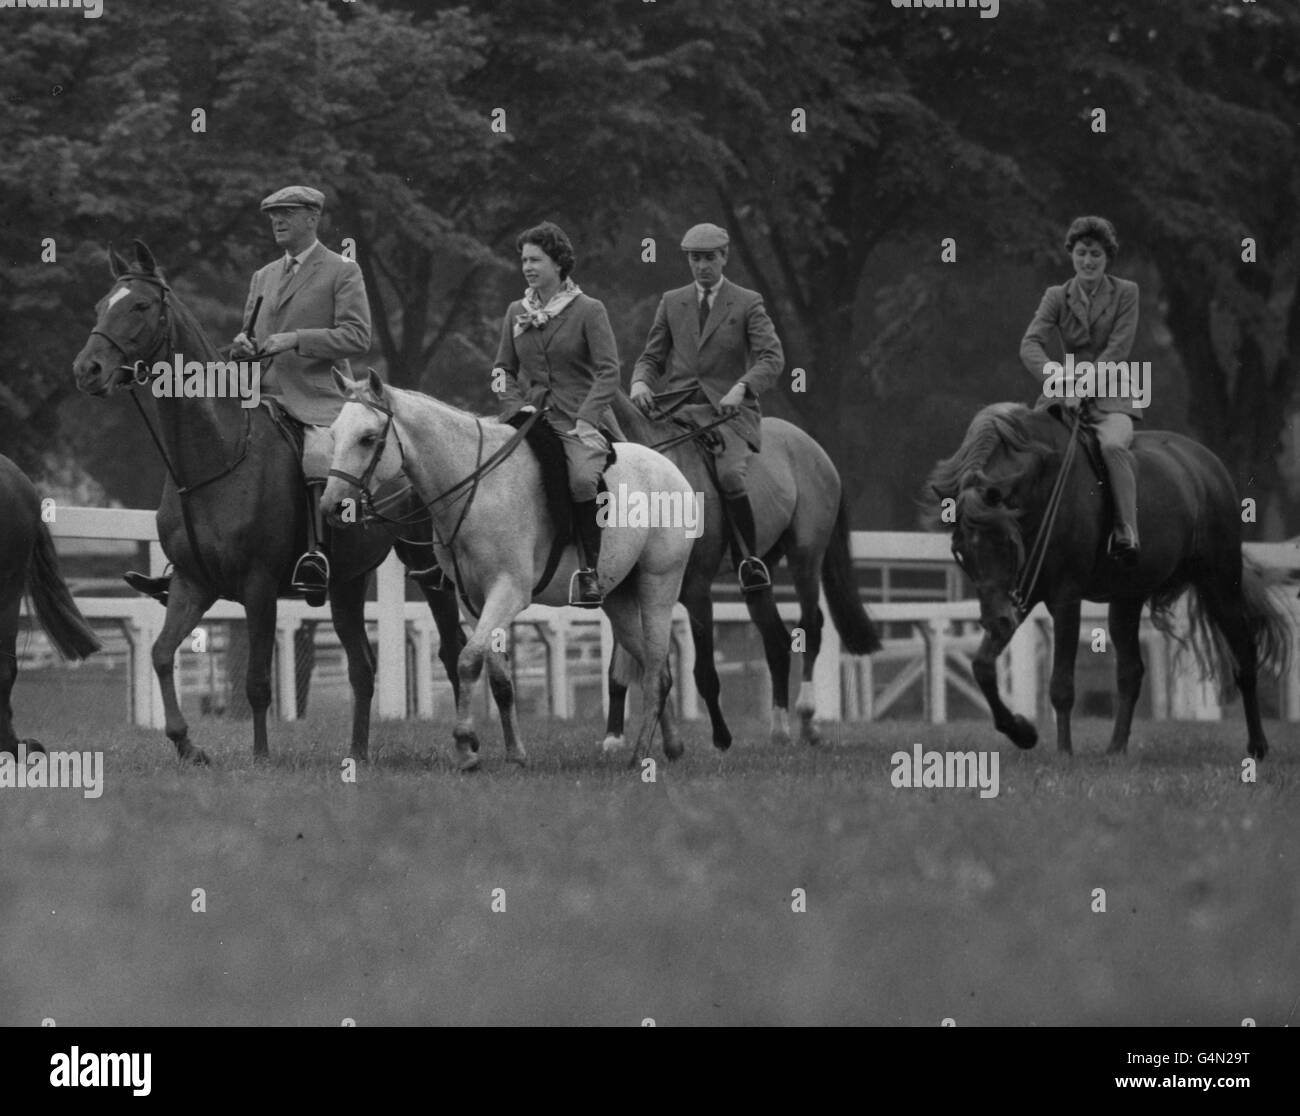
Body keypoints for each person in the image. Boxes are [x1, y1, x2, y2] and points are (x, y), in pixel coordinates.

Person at [125, 184, 371, 607]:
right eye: (273, 214)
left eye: (287, 213)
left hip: (316, 396)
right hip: (257, 393)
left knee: (315, 455)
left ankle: (315, 556)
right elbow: (253, 337)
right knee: (206, 452)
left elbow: (357, 336)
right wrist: (243, 347)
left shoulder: (342, 271)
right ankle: (189, 560)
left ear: (312, 218)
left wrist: (293, 339)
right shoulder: (263, 276)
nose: (277, 220)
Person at [630, 222, 784, 591]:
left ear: (724, 257)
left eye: (709, 258)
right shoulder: (672, 301)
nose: (702, 266)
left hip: (727, 413)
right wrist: (639, 381)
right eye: (695, 259)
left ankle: (748, 559)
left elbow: (771, 357)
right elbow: (652, 357)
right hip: (678, 409)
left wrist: (742, 387)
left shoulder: (747, 302)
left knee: (730, 474)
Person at [491, 221, 624, 608]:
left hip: (578, 417)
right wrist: (513, 405)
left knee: (583, 481)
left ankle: (590, 571)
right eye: (524, 260)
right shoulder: (517, 311)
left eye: (536, 259)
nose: (527, 267)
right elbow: (501, 370)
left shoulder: (589, 310)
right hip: (529, 415)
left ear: (558, 263)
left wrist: (587, 418)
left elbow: (608, 371)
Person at [1020, 215, 1142, 564]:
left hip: (1112, 396)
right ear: (1072, 254)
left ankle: (1126, 531)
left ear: (1107, 258)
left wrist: (1085, 384)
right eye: (1082, 253)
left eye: (1096, 255)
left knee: (1113, 446)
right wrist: (1057, 377)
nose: (1088, 261)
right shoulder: (1056, 296)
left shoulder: (1127, 293)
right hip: (1063, 393)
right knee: (1027, 445)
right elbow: (1030, 344)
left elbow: (1118, 349)